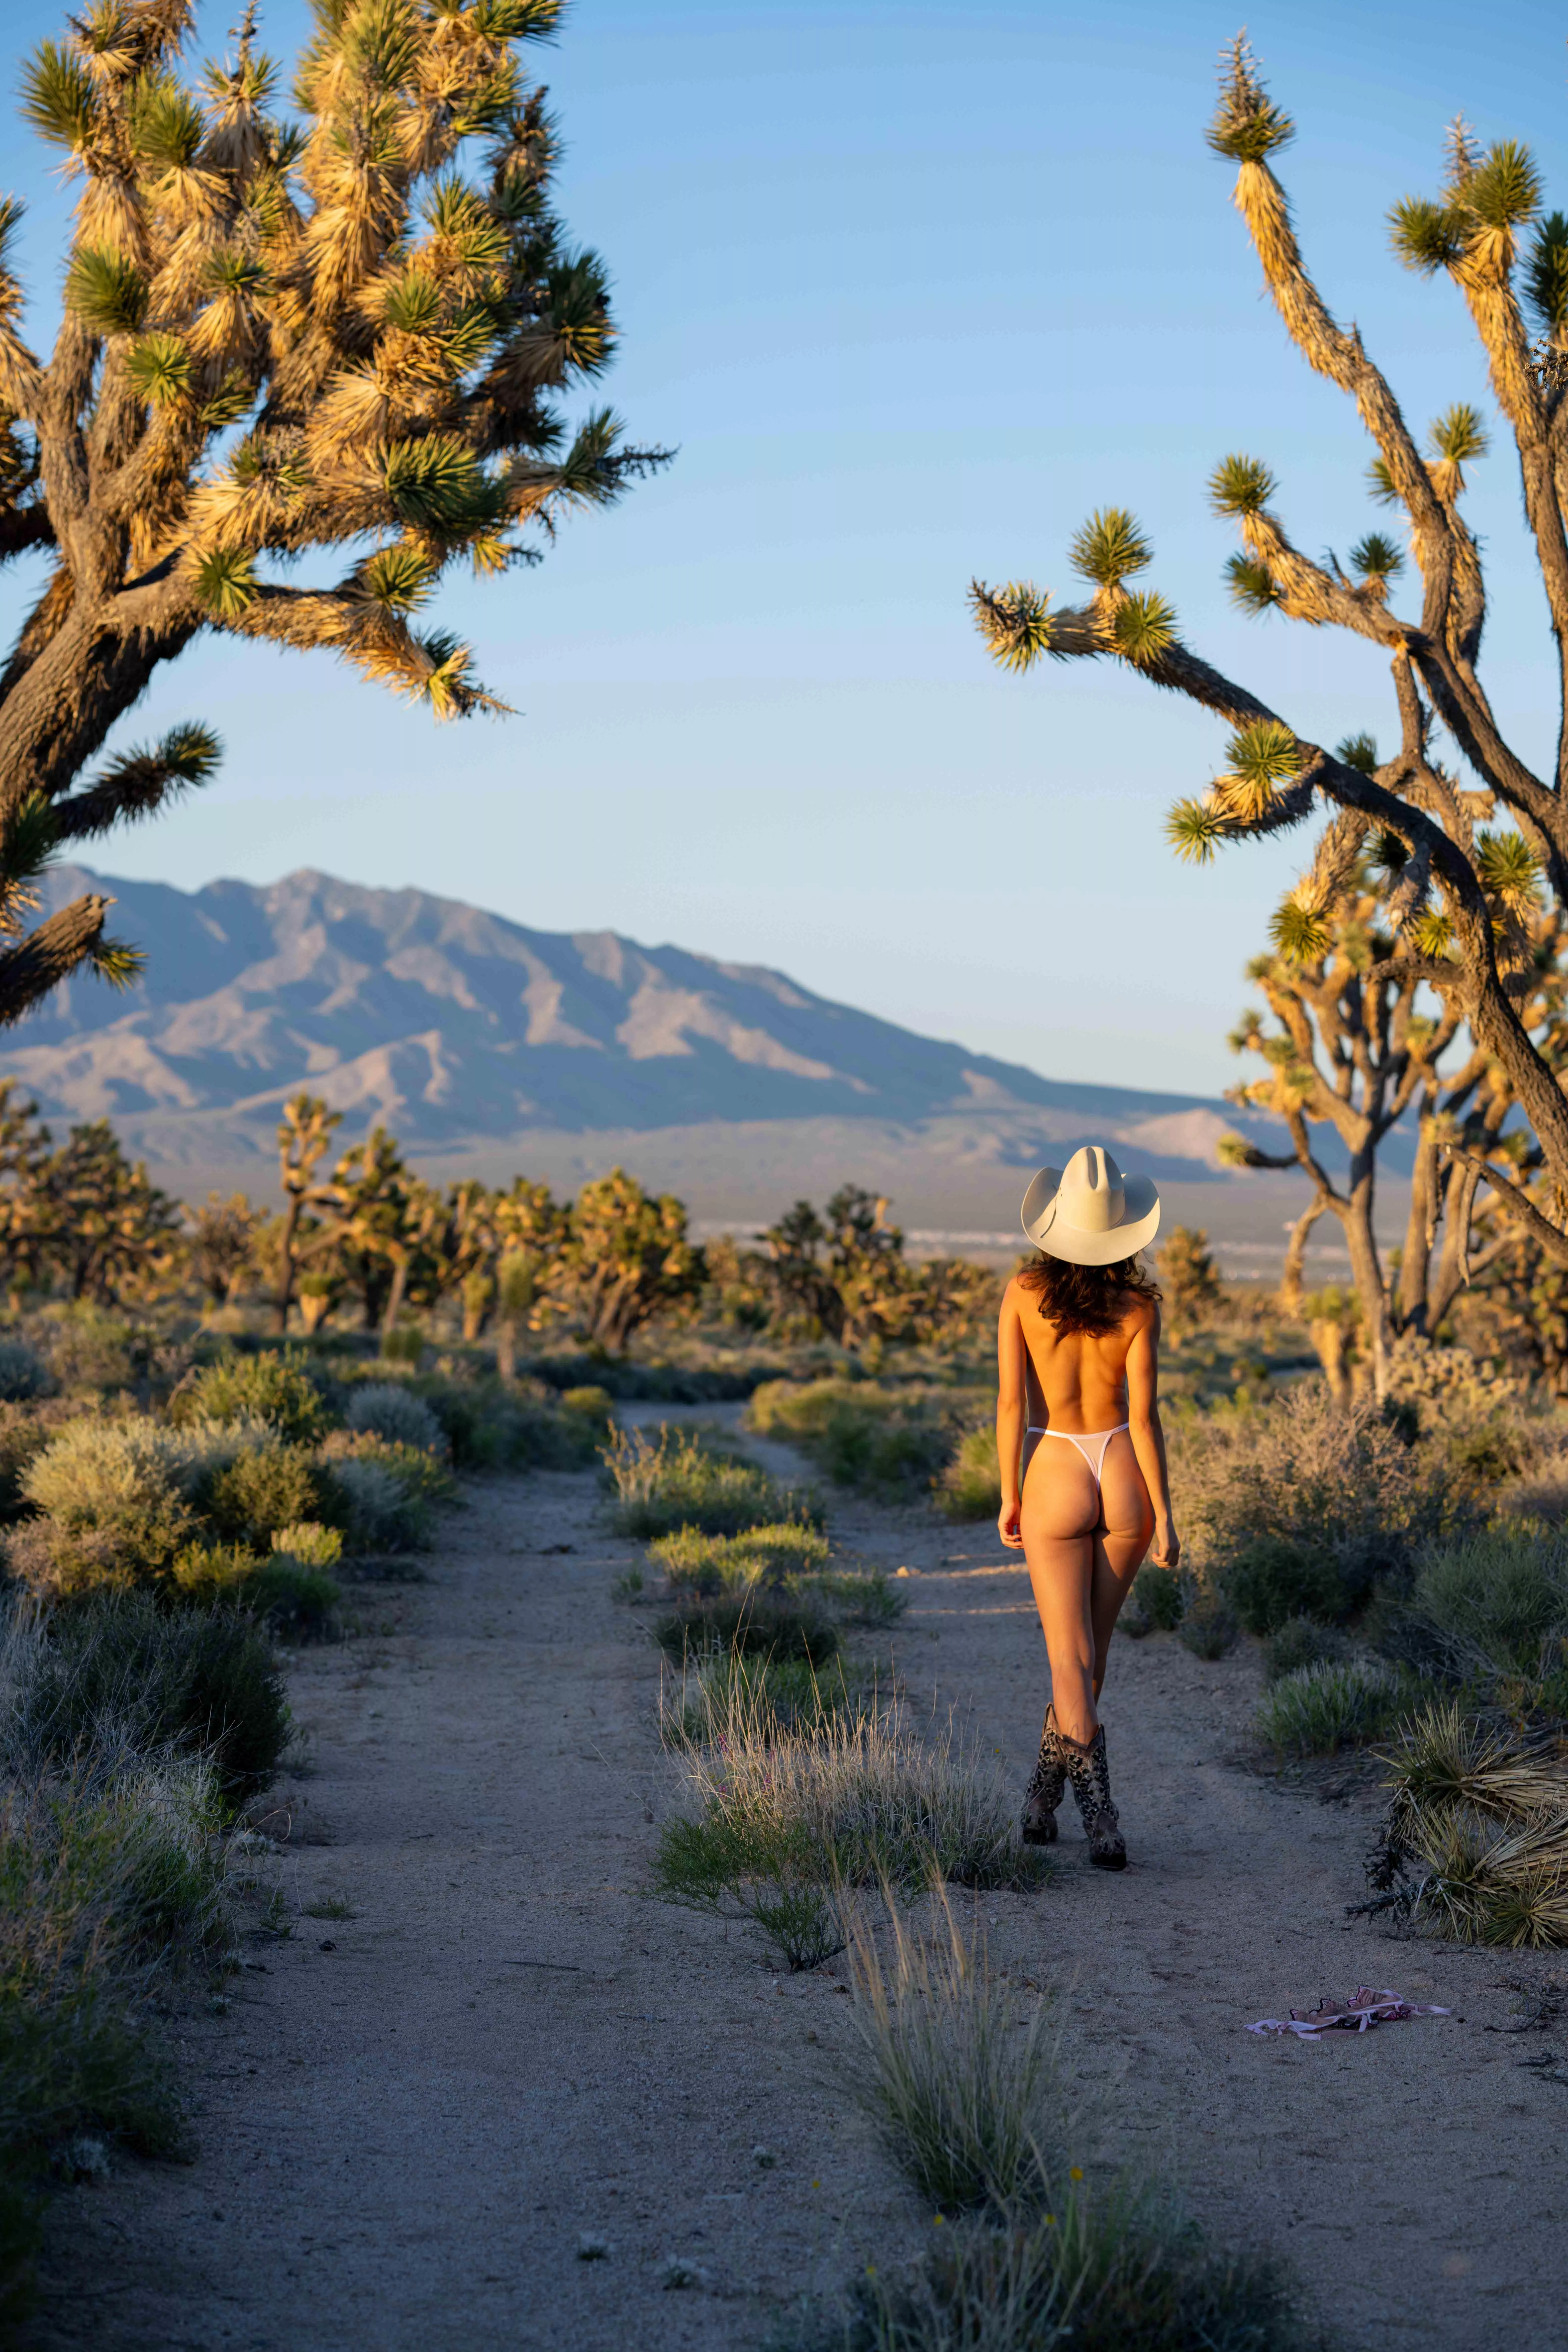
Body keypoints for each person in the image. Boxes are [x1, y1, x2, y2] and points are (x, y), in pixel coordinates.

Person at [995, 1144, 1178, 1869]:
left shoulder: (1022, 1294)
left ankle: (1099, 1818)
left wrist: (1010, 1492)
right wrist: (1165, 1514)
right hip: (1123, 1473)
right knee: (1090, 1658)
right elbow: (1146, 1418)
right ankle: (1043, 1799)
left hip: (1057, 1466)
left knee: (1070, 1658)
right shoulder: (1139, 1307)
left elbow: (1012, 1401)